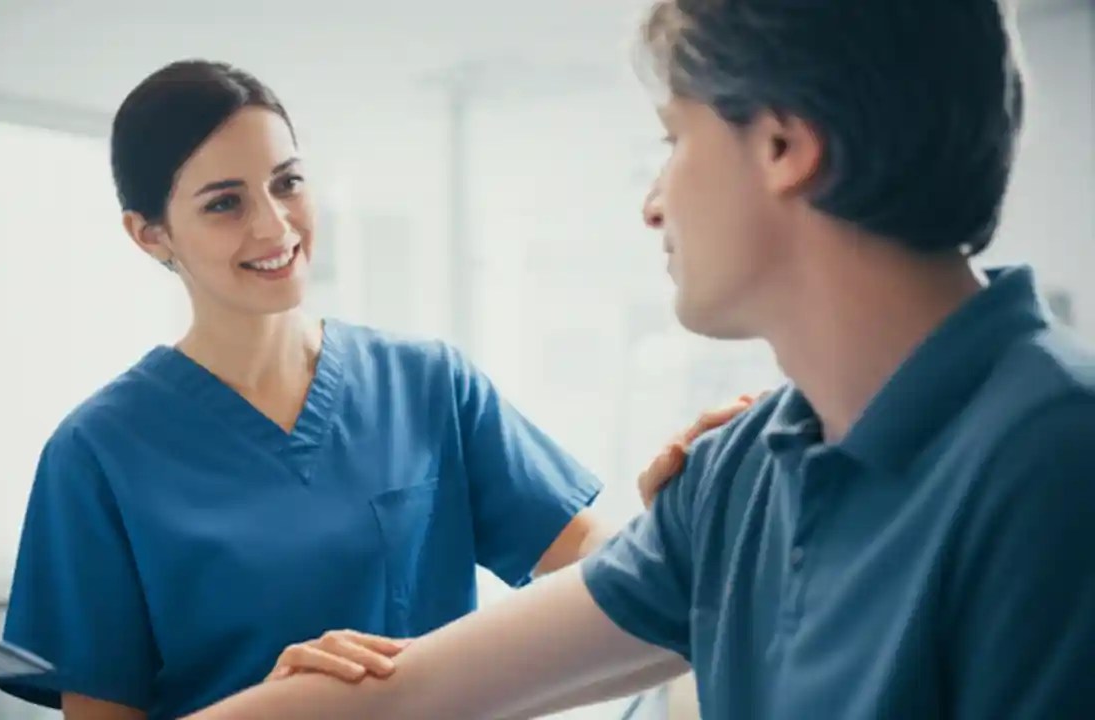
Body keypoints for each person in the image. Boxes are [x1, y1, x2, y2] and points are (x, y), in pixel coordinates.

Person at [180, 0, 1095, 718]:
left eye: (673, 140)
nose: (654, 204)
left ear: (783, 145)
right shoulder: (740, 473)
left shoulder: (1056, 464)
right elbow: (412, 693)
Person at [0, 59, 750, 720]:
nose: (275, 224)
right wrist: (285, 708)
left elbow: (608, 572)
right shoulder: (96, 453)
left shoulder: (428, 385)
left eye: (287, 183)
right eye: (225, 202)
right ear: (150, 234)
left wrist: (690, 511)